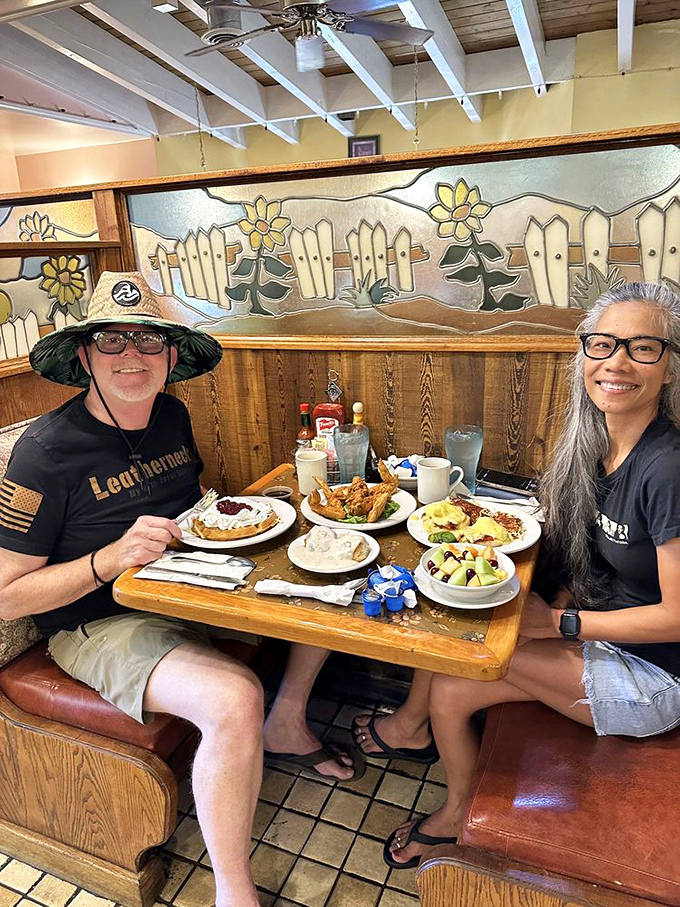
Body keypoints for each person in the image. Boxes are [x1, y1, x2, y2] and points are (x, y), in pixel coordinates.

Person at [0, 271, 353, 907]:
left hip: (187, 582)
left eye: (147, 341)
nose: (130, 357)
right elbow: (5, 596)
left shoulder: (170, 413)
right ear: (84, 356)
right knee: (234, 696)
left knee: (331, 575)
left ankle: (290, 725)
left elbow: (189, 506)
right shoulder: (44, 452)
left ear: (169, 355)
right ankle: (233, 891)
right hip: (98, 623)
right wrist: (106, 559)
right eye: (111, 341)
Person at [351, 282, 680, 868]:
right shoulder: (601, 445)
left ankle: (436, 782)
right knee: (452, 667)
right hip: (603, 640)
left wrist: (558, 622)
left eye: (643, 348)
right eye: (602, 344)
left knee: (457, 653)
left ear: (670, 367)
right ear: (584, 355)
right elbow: (594, 558)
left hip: (656, 680)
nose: (617, 362)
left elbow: (676, 617)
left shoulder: (669, 468)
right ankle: (422, 750)